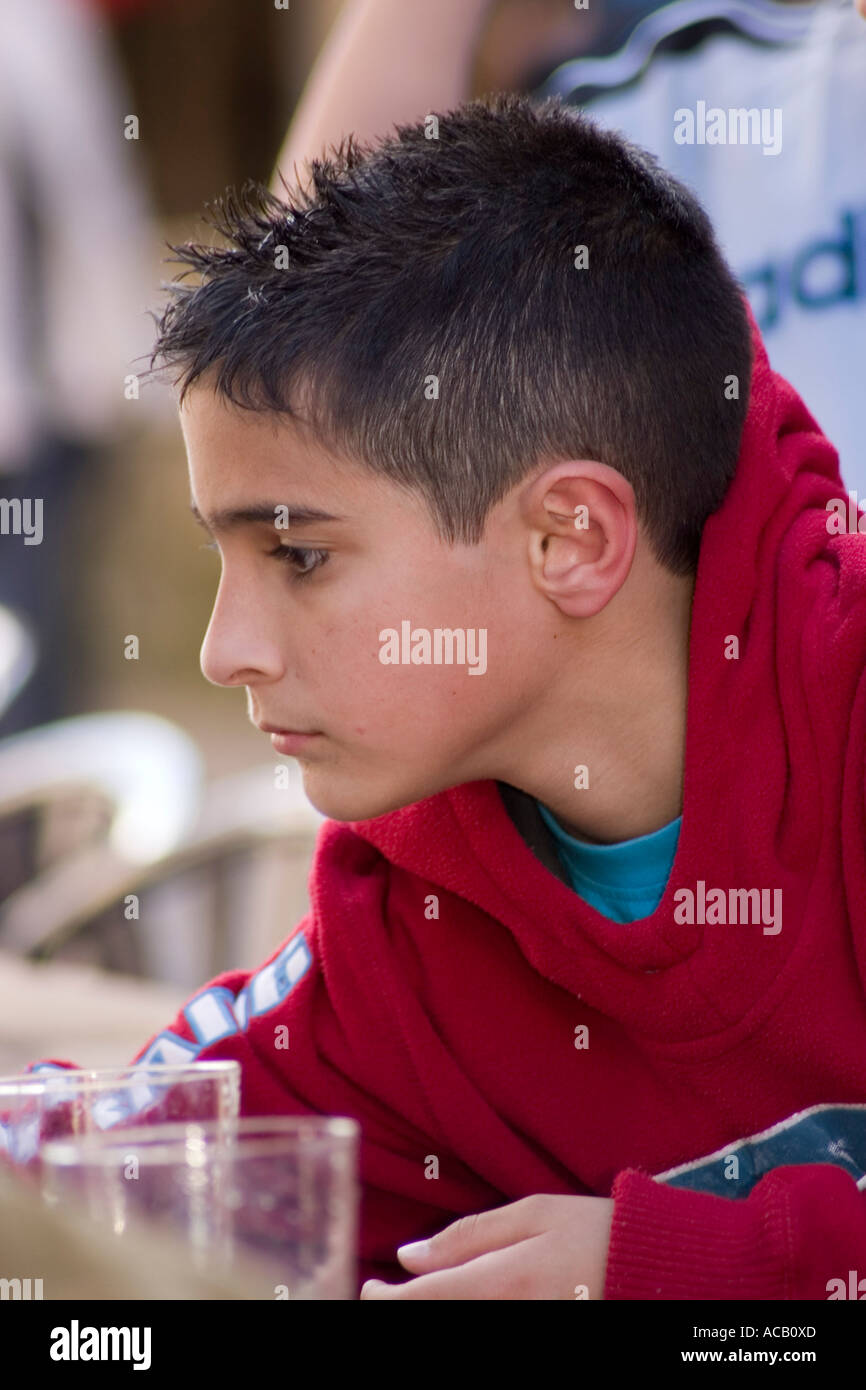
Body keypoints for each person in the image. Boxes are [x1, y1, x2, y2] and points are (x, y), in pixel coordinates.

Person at [31, 94, 866, 1300]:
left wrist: (684, 1273)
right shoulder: (401, 933)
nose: (224, 652)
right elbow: (138, 1167)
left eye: (299, 556)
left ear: (570, 536)